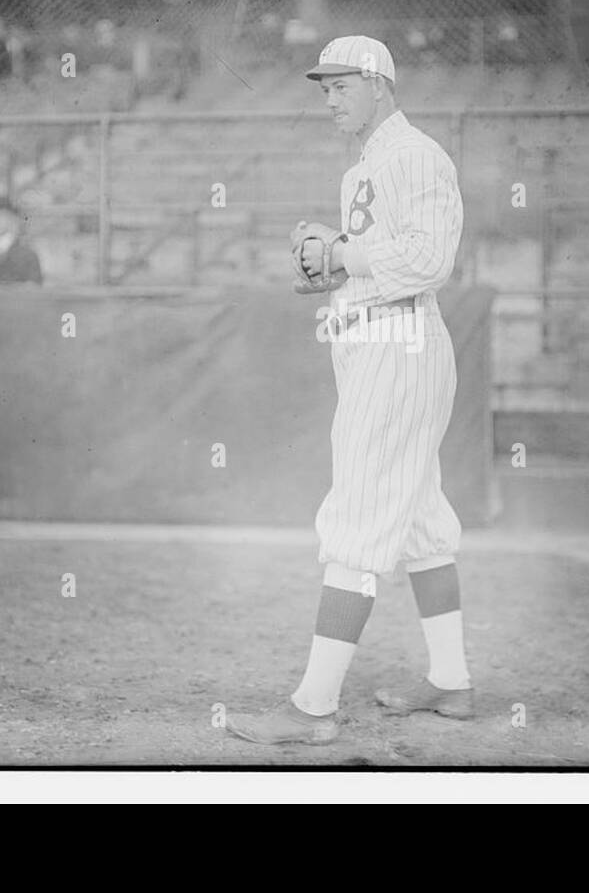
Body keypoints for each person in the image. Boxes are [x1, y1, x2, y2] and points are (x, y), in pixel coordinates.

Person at [225, 36, 472, 745]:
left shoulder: (416, 155)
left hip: (400, 341)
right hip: (373, 336)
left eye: (340, 86)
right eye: (323, 88)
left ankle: (313, 708)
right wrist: (329, 267)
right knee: (420, 521)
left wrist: (343, 253)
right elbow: (376, 259)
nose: (328, 99)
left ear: (379, 84)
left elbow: (429, 260)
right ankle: (452, 683)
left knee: (357, 524)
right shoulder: (365, 166)